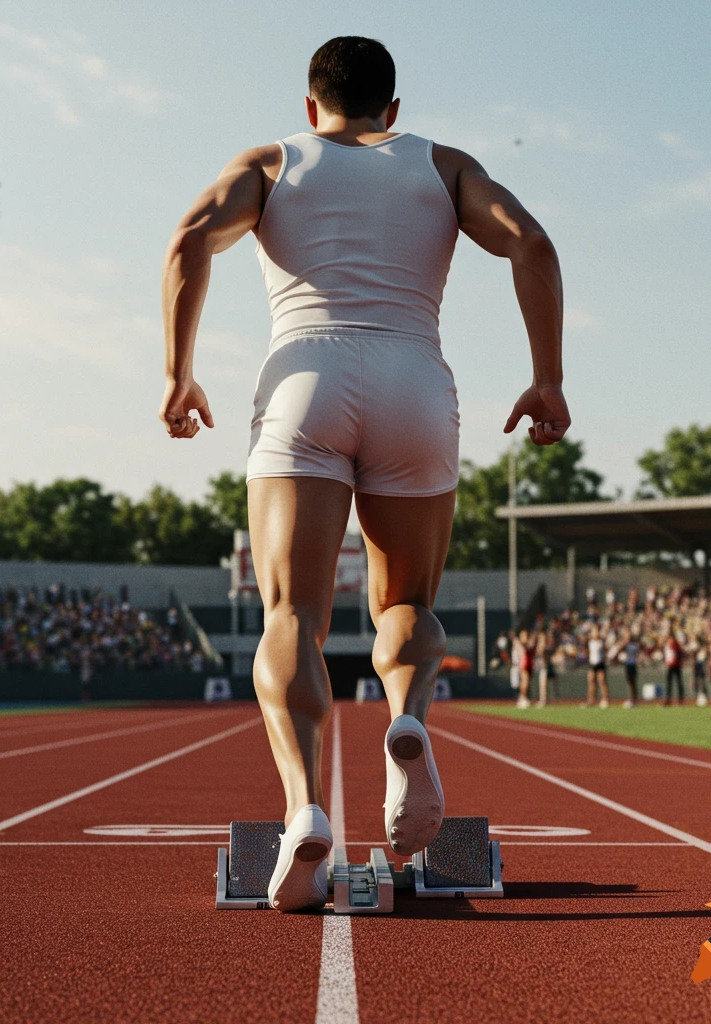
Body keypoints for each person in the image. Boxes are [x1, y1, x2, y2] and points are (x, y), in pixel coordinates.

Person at [159, 37, 567, 911]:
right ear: (394, 108)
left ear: (312, 108)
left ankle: (305, 807)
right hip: (414, 380)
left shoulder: (272, 161)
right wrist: (548, 378)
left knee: (291, 616)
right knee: (406, 606)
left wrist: (179, 372)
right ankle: (406, 721)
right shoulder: (444, 166)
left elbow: (192, 237)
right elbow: (531, 243)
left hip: (303, 372)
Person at [585, 625, 609, 708]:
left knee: (602, 681)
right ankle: (591, 699)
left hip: (600, 663)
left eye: (597, 631)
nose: (596, 633)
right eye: (594, 631)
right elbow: (587, 653)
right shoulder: (589, 642)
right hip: (592, 664)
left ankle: (605, 699)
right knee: (591, 681)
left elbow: (605, 652)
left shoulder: (601, 642)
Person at [663, 624, 685, 706]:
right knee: (670, 683)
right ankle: (668, 700)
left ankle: (680, 700)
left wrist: (677, 659)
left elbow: (678, 653)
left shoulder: (674, 643)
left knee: (678, 682)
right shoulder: (669, 644)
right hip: (670, 665)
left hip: (675, 665)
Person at [516, 628, 534, 709]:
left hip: (529, 664)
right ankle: (522, 698)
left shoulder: (529, 644)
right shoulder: (519, 643)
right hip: (524, 664)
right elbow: (522, 651)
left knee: (527, 682)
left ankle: (523, 697)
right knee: (525, 682)